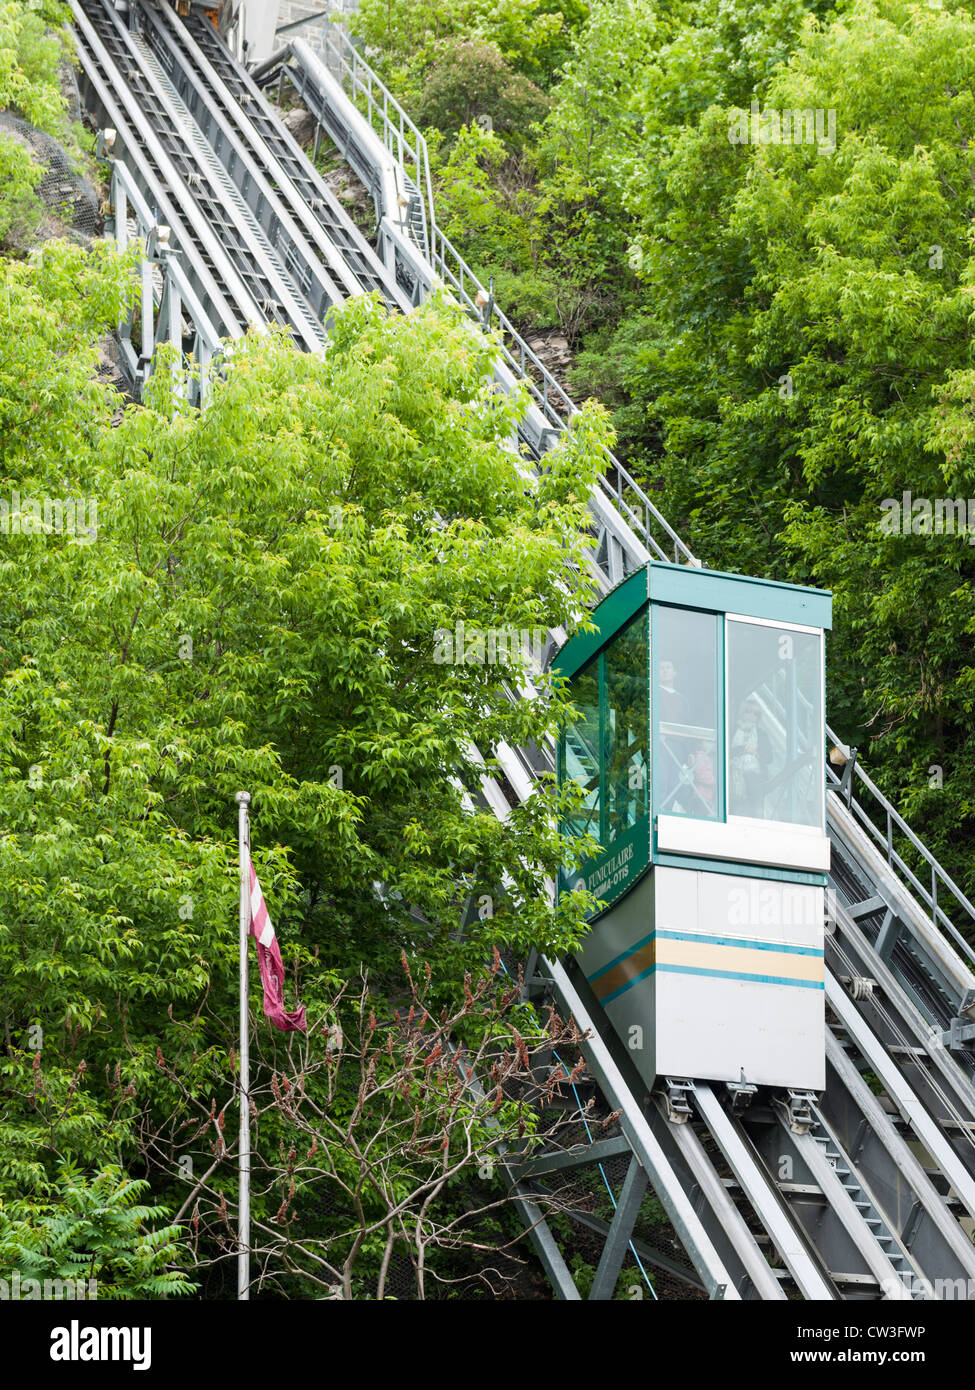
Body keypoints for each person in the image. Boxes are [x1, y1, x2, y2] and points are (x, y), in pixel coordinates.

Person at [730, 698, 772, 817]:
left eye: (756, 714)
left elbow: (769, 758)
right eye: (748, 711)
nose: (751, 715)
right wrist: (743, 749)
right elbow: (725, 751)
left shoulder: (761, 734)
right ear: (742, 713)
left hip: (754, 773)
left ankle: (758, 817)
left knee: (753, 779)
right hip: (733, 771)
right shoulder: (732, 730)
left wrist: (757, 751)